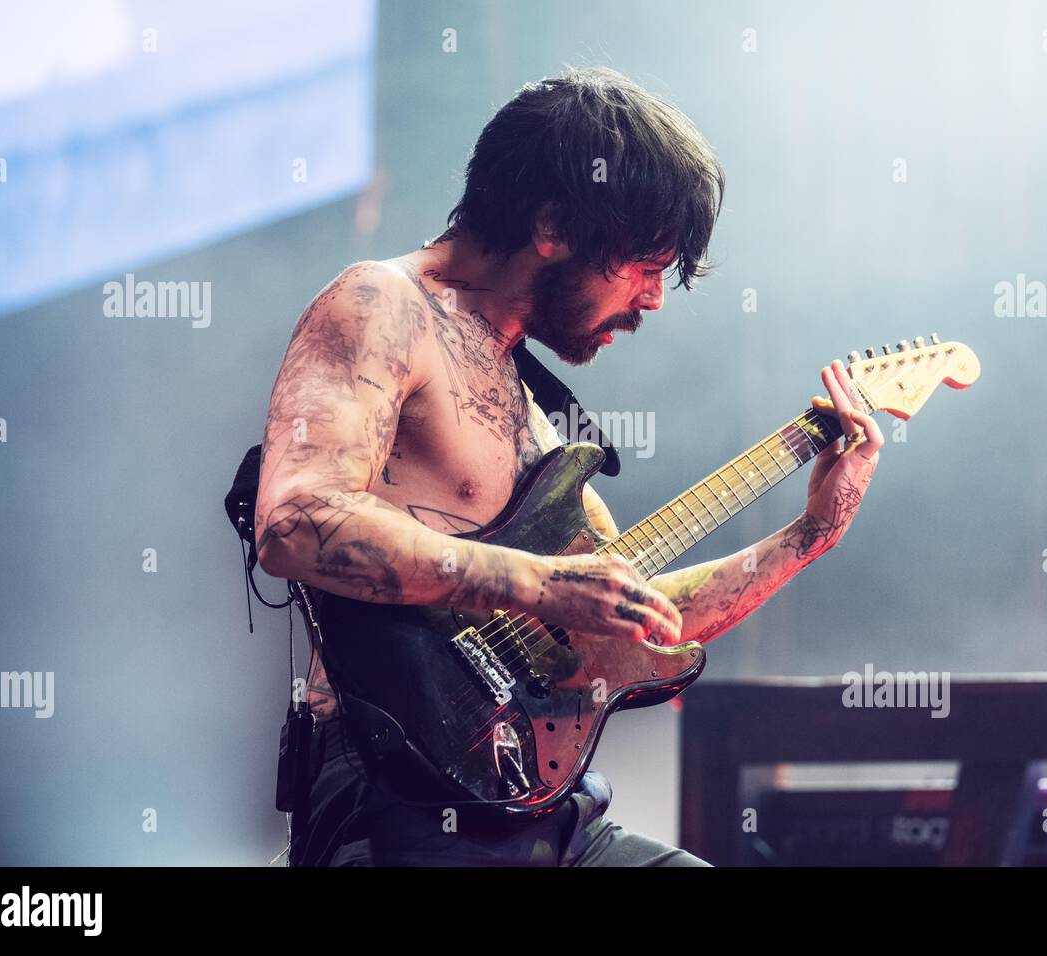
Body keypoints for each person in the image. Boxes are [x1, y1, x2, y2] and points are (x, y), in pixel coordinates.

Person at [253, 66, 883, 866]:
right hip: (403, 797)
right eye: (645, 265)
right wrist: (538, 583)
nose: (653, 300)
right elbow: (297, 525)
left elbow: (636, 620)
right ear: (552, 224)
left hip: (551, 812)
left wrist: (812, 532)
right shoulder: (380, 306)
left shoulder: (533, 403)